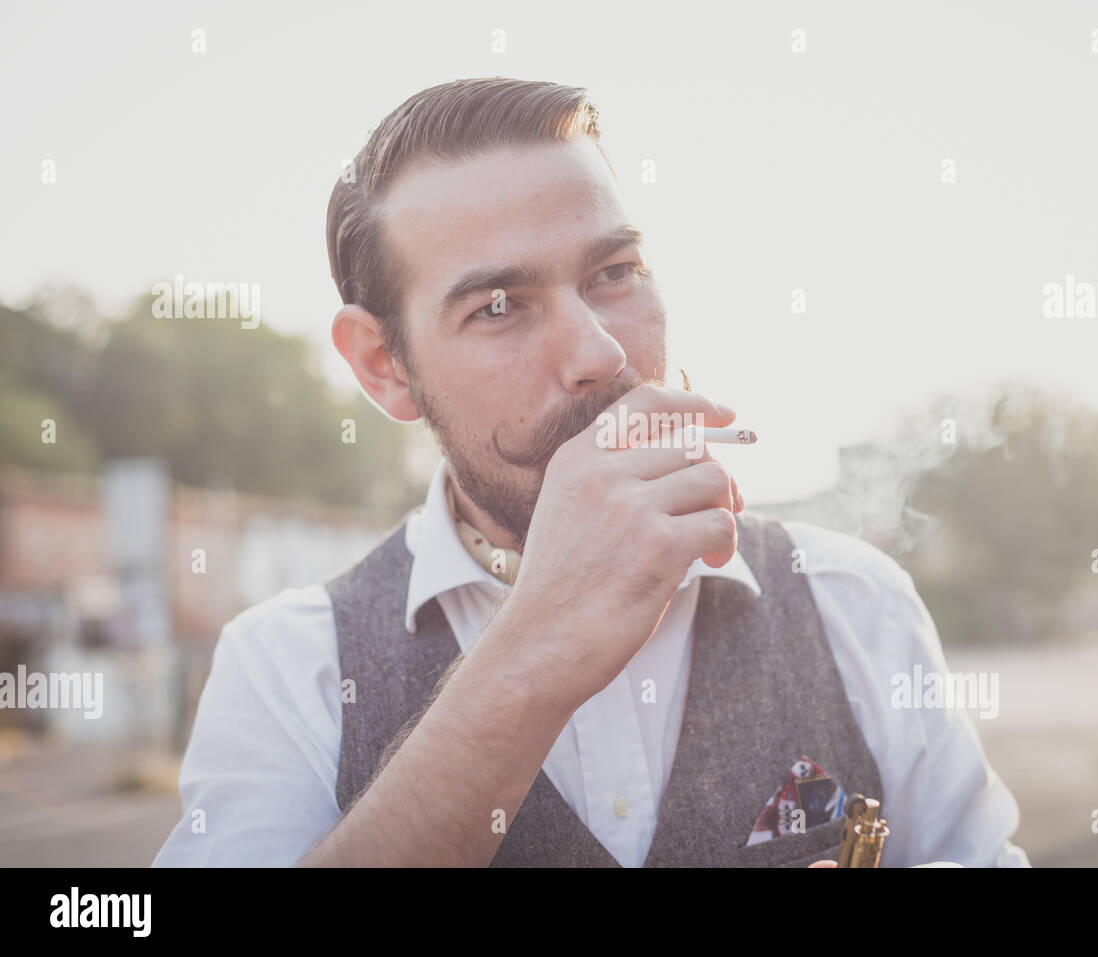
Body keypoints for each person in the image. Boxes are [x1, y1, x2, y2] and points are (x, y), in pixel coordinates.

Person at [153, 77, 1028, 868]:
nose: (601, 354)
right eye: (499, 306)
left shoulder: (854, 603)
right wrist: (531, 649)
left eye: (615, 272)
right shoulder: (286, 668)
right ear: (385, 365)